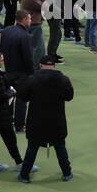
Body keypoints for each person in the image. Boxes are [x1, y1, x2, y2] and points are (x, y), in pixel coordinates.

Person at [16, 54, 74, 183]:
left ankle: (24, 175)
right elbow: (69, 97)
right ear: (54, 66)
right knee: (60, 147)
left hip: (36, 122)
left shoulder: (32, 79)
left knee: (32, 147)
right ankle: (67, 173)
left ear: (41, 65)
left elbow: (23, 97)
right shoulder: (64, 80)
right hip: (56, 122)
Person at [0, 11, 36, 132]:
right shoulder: (25, 36)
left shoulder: (7, 30)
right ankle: (19, 125)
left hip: (9, 70)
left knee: (9, 96)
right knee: (21, 100)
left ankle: (8, 120)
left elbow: (1, 47)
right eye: (29, 19)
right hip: (22, 73)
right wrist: (32, 73)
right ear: (24, 20)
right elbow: (28, 57)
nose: (31, 21)